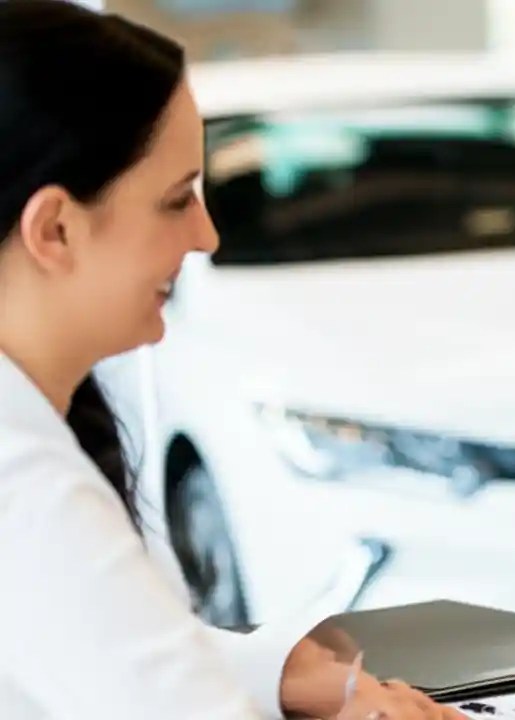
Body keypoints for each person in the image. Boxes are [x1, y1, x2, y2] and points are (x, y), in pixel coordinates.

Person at [0, 2, 465, 718]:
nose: (206, 235)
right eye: (177, 199)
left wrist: (268, 672)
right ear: (55, 230)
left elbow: (81, 638)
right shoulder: (25, 480)